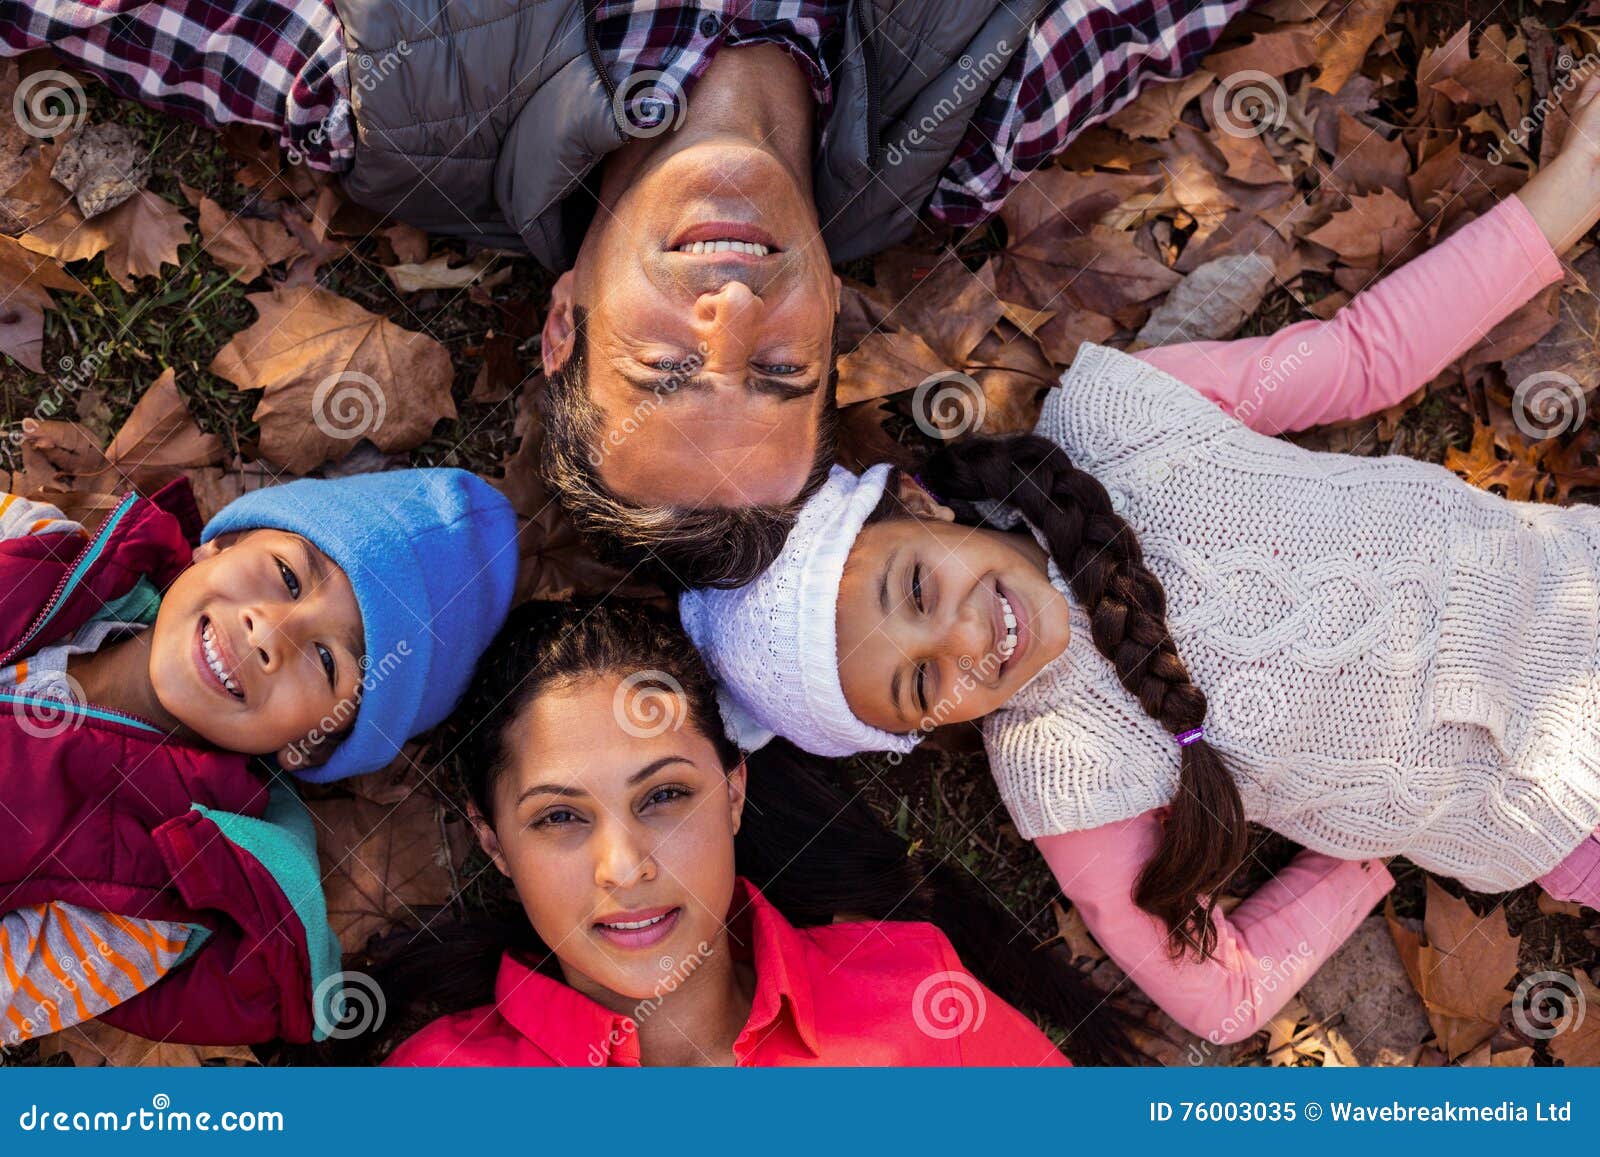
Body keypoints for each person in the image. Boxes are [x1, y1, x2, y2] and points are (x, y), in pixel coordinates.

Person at [674, 79, 1600, 1046]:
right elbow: (1221, 997)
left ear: (916, 502)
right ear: (920, 733)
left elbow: (1363, 355)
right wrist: (1361, 858)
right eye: (919, 684)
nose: (963, 637)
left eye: (913, 586)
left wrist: (1577, 181)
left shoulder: (1120, 424)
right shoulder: (1067, 777)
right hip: (1558, 810)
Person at [3, 0, 1259, 584]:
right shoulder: (977, 116)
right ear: (834, 319)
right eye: (778, 370)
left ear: (562, 322)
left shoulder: (379, 94)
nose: (731, 309)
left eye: (665, 368)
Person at [377, 600, 1142, 1066]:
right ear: (492, 842)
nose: (625, 865)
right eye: (560, 816)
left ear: (734, 793)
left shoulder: (915, 998)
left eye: (664, 795)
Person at [0, 468, 517, 1044]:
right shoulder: (37, 549)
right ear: (218, 545)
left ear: (312, 743)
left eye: (327, 661)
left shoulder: (152, 903)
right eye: (288, 577)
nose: (269, 633)